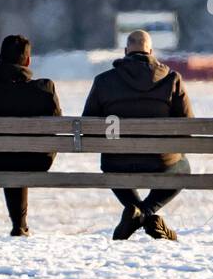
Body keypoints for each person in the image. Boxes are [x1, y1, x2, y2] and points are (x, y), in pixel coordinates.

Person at [82, 29, 194, 241]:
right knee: (183, 168)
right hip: (160, 161)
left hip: (117, 161)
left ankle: (137, 213)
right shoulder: (172, 80)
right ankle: (145, 212)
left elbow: (89, 125)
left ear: (126, 51)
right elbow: (187, 127)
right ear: (150, 51)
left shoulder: (104, 81)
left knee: (108, 162)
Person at [0, 35, 62, 237]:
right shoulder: (44, 88)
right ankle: (20, 225)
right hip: (37, 160)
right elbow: (56, 125)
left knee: (4, 151)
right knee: (22, 152)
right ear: (27, 61)